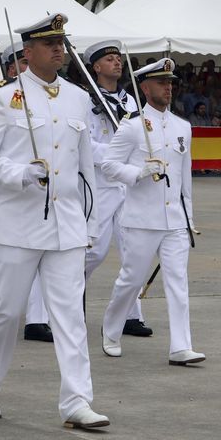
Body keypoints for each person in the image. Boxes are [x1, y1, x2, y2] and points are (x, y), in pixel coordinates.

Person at [0, 13, 109, 429]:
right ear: (28, 52)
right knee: (6, 312)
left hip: (65, 224)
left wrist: (91, 223)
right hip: (17, 223)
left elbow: (85, 170)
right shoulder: (2, 96)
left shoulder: (77, 97)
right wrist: (18, 173)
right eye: (50, 44)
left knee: (70, 316)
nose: (59, 49)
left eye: (61, 42)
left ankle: (77, 401)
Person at [99, 57, 204, 366]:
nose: (168, 88)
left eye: (170, 83)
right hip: (141, 220)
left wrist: (189, 219)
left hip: (174, 220)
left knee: (177, 281)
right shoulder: (132, 127)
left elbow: (185, 180)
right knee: (131, 280)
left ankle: (180, 347)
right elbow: (107, 166)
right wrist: (138, 171)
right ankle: (111, 330)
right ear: (145, 87)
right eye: (161, 83)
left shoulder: (182, 126)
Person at [81, 41, 152, 338]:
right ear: (96, 67)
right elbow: (84, 141)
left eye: (118, 59)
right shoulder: (85, 100)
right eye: (109, 59)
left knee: (133, 252)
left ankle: (129, 315)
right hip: (100, 184)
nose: (116, 63)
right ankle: (65, 296)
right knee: (94, 252)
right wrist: (112, 154)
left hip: (127, 183)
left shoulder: (131, 101)